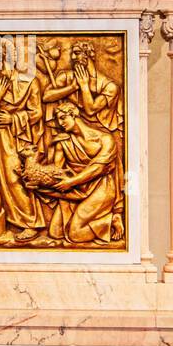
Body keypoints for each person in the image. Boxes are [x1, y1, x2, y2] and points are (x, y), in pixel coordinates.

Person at [0, 65, 45, 240]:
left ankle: (31, 222)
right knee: (7, 180)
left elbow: (37, 112)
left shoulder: (30, 82)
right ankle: (10, 222)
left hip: (23, 136)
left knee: (19, 179)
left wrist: (13, 118)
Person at [47, 101, 123, 245]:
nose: (60, 123)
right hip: (76, 188)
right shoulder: (64, 141)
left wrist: (71, 182)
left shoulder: (104, 139)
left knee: (75, 234)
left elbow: (98, 168)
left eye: (63, 118)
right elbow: (57, 171)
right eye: (58, 119)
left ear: (74, 114)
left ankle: (110, 220)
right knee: (55, 232)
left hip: (101, 187)